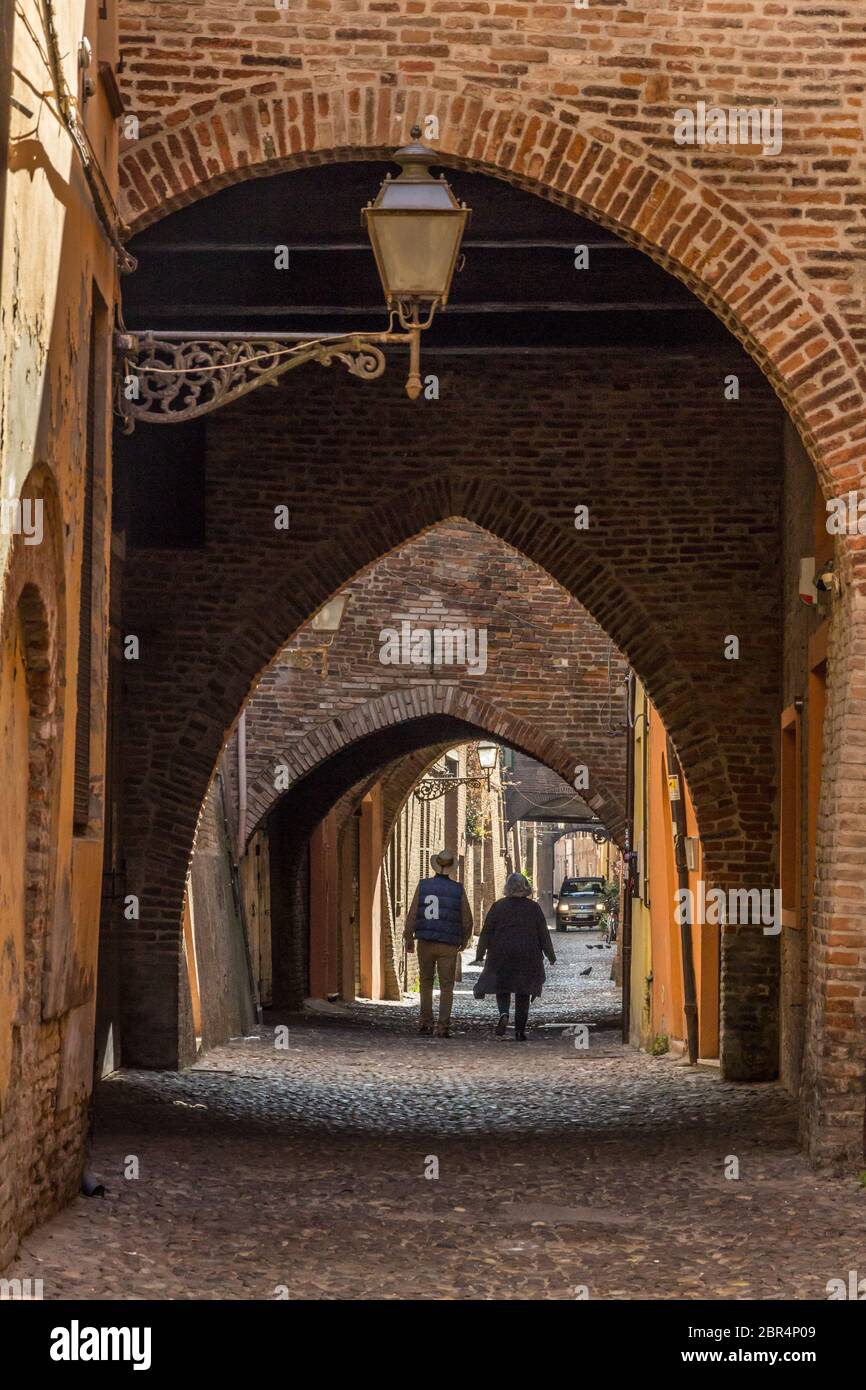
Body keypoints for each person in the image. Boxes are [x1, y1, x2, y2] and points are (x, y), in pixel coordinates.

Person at [473, 872, 556, 1041]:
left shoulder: (498, 907)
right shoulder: (533, 908)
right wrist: (550, 955)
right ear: (525, 889)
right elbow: (543, 934)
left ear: (507, 888)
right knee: (523, 992)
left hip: (501, 955)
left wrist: (480, 953)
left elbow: (486, 933)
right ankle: (519, 1031)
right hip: (527, 956)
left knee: (502, 988)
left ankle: (504, 1013)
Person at [404, 850, 473, 1038]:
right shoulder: (457, 890)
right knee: (446, 986)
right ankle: (443, 1027)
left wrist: (408, 937)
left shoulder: (423, 886)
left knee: (425, 982)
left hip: (425, 941)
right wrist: (464, 939)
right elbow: (467, 919)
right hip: (448, 945)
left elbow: (412, 913)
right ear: (450, 868)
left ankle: (425, 1023)